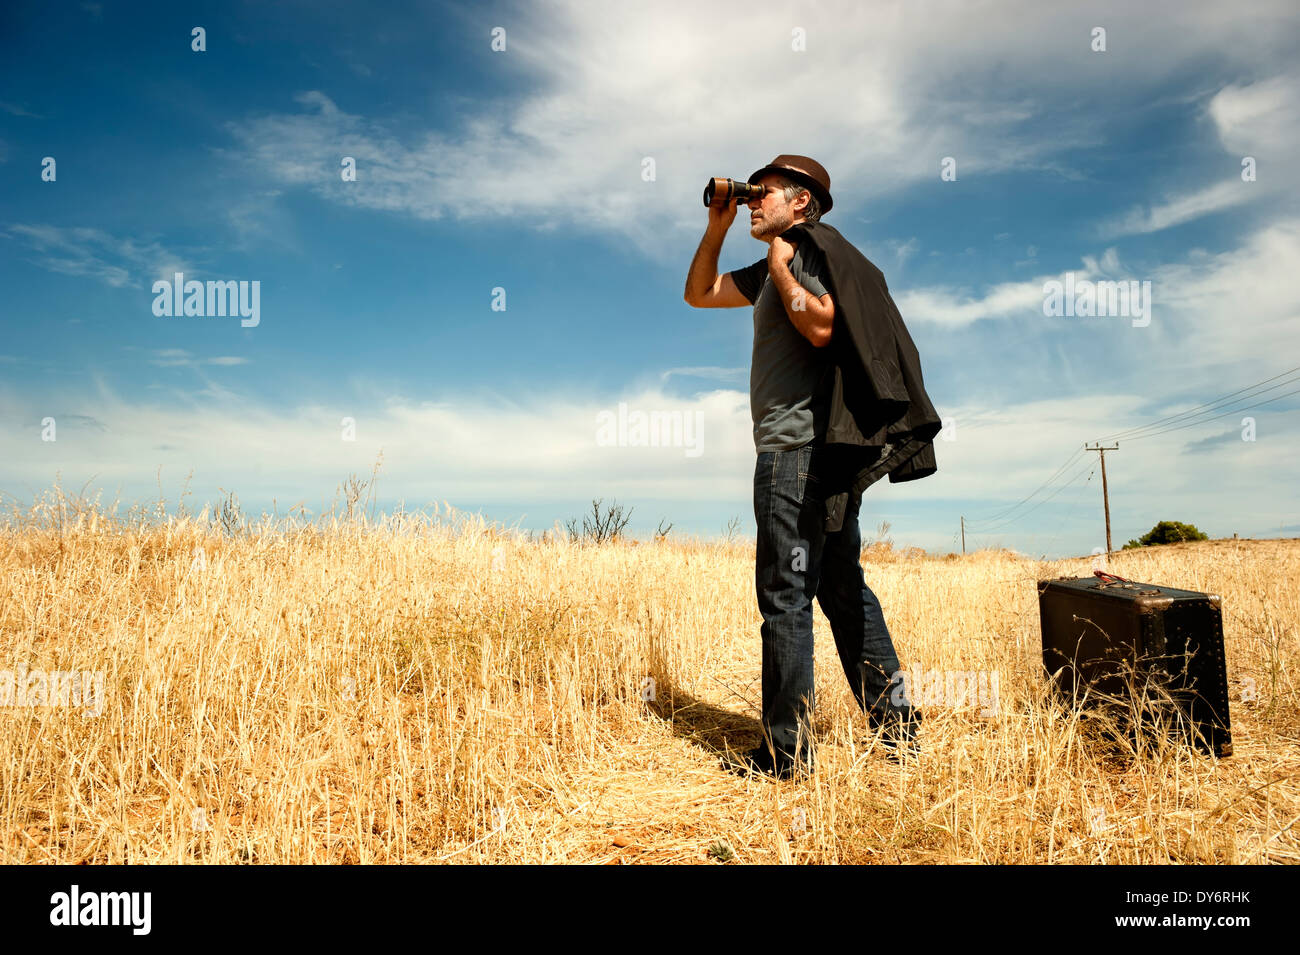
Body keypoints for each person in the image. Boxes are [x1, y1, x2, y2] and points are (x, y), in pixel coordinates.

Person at [683, 155, 920, 779]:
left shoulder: (805, 254)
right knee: (842, 588)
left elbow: (819, 327)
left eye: (765, 193)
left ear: (803, 204)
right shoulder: (768, 266)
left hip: (797, 453)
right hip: (819, 454)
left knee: (785, 596)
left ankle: (785, 754)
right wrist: (718, 225)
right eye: (750, 193)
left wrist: (785, 271)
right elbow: (698, 294)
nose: (754, 201)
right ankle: (898, 729)